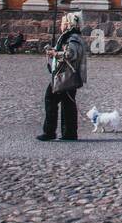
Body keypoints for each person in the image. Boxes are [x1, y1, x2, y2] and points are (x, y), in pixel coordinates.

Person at [36, 11, 88, 142]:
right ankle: (69, 133)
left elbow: (71, 54)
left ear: (68, 24)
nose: (61, 24)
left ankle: (50, 132)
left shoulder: (73, 38)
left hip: (65, 76)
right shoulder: (71, 37)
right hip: (65, 75)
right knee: (67, 103)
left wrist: (55, 54)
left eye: (63, 22)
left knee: (50, 99)